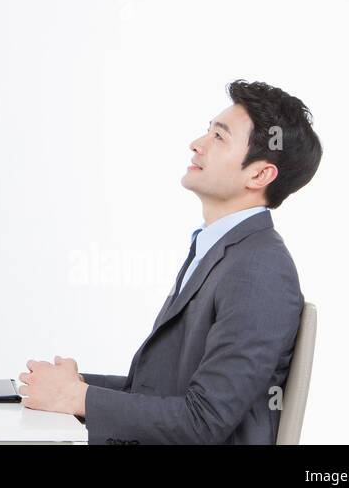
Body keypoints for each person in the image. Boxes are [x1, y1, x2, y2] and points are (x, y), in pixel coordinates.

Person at [18, 79, 322, 444]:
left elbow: (204, 420)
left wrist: (76, 397)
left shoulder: (260, 269)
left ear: (259, 174)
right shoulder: (221, 249)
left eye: (220, 137)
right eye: (208, 131)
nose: (197, 144)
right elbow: (164, 391)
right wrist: (75, 385)